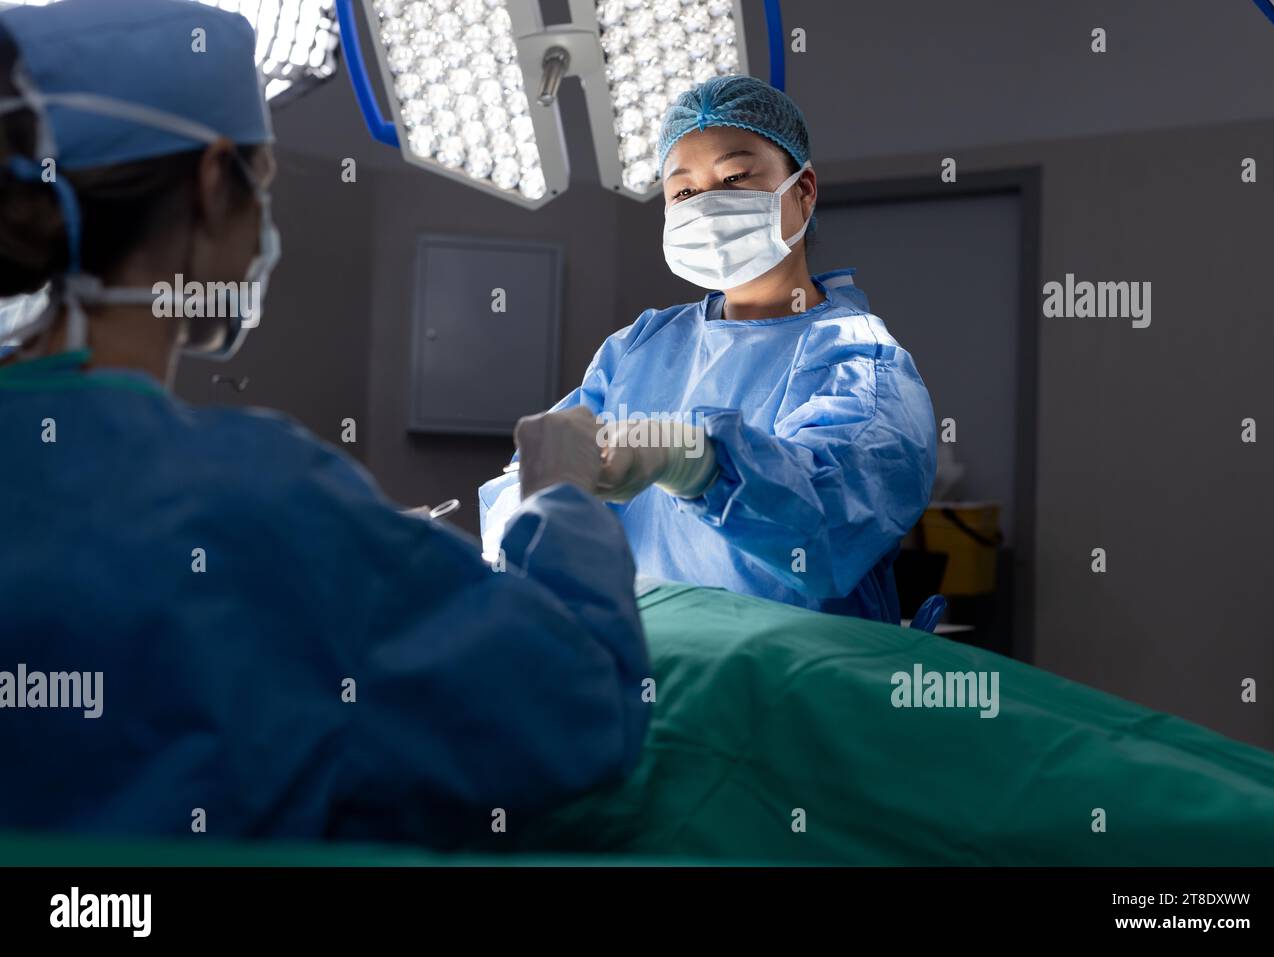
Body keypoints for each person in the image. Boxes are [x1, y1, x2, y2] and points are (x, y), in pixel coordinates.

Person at [0, 0, 648, 845]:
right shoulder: (257, 495)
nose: (265, 228)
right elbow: (581, 708)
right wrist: (563, 503)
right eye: (263, 186)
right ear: (212, 180)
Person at [482, 76, 937, 623]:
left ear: (804, 189)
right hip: (651, 668)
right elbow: (530, 483)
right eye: (685, 191)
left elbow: (831, 524)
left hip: (790, 683)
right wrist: (533, 503)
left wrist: (693, 463)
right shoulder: (639, 348)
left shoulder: (859, 362)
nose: (710, 203)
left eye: (736, 176)